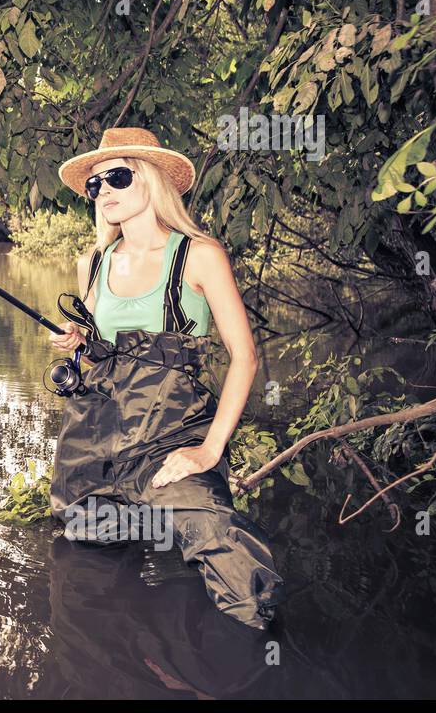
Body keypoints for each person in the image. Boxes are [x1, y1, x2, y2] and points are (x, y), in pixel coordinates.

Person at [46, 126, 285, 631]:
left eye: (116, 177)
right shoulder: (94, 261)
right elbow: (101, 352)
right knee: (85, 558)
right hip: (92, 437)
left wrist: (210, 450)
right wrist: (80, 342)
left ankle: (259, 663)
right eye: (95, 184)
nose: (103, 190)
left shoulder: (199, 255)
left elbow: (244, 357)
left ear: (151, 180)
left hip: (171, 433)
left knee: (221, 542)